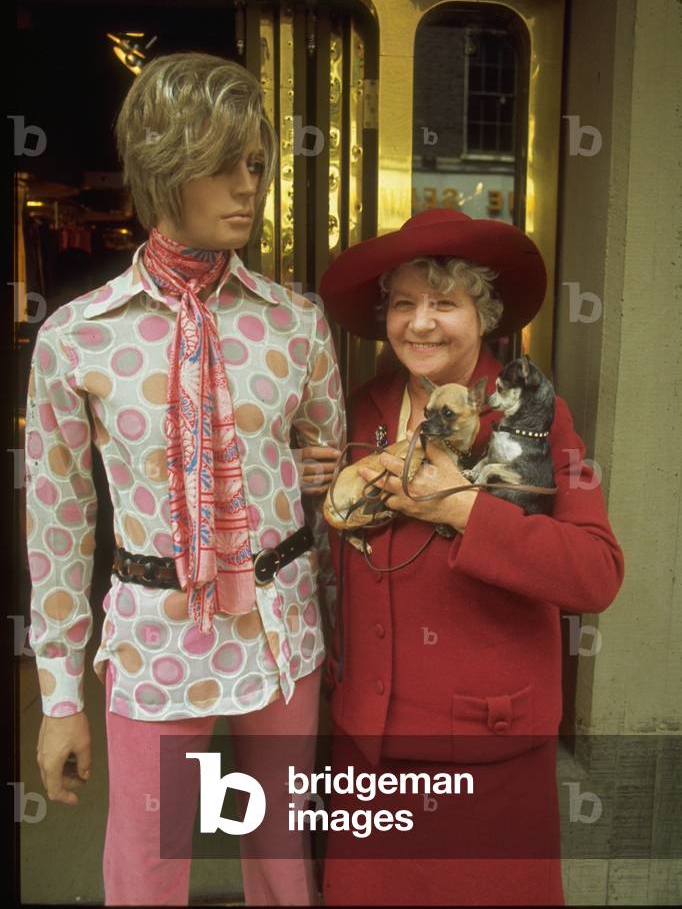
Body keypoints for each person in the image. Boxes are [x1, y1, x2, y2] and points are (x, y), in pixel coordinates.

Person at [25, 52, 344, 906]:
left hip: (281, 630)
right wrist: (60, 694)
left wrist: (331, 473)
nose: (250, 186)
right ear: (165, 168)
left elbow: (331, 471)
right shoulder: (77, 337)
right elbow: (55, 521)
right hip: (154, 637)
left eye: (257, 164)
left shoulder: (296, 323)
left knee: (280, 853)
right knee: (146, 863)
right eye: (225, 164)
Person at [318, 207, 624, 907]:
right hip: (369, 757)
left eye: (444, 303)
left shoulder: (534, 416)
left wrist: (463, 507)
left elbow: (595, 570)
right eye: (403, 303)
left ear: (482, 314)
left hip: (487, 759)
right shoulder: (361, 409)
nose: (419, 323)